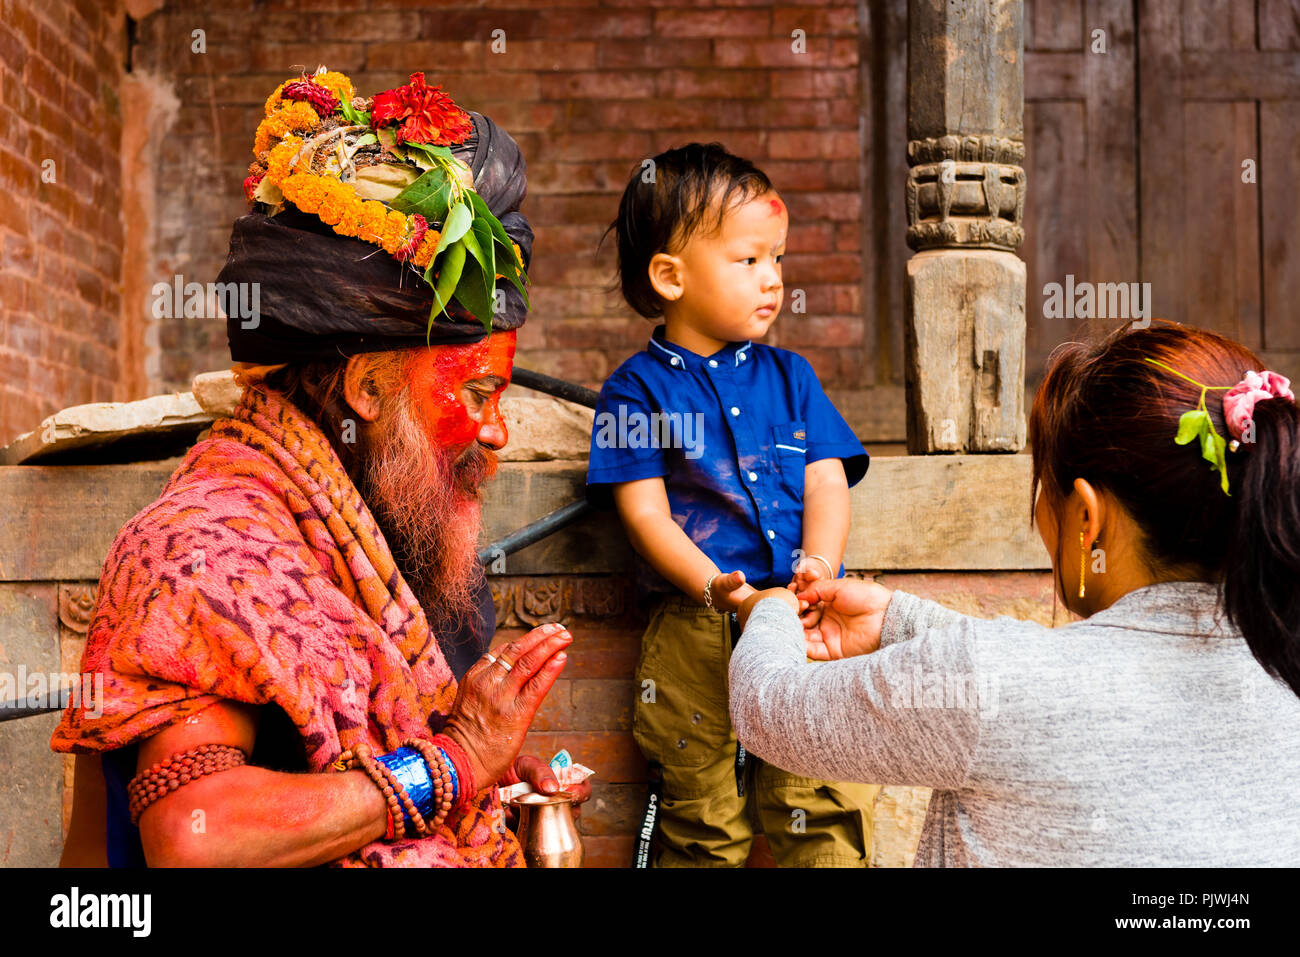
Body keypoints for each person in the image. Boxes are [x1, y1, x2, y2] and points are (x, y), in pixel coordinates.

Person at [51, 68, 589, 868]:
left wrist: (491, 777)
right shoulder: (203, 546)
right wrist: (452, 765)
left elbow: (376, 742)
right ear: (368, 387)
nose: (498, 429)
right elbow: (194, 837)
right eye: (477, 390)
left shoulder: (379, 523)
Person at [728, 320, 1300, 866]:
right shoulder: (1284, 668)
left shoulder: (987, 684)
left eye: (1042, 492)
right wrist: (903, 621)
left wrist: (772, 609)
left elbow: (768, 707)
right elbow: (1037, 677)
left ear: (1087, 517)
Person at [586, 143, 879, 867]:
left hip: (802, 613)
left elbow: (825, 481)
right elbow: (647, 515)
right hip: (696, 625)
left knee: (819, 795)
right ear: (670, 276)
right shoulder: (635, 391)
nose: (772, 280)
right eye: (748, 261)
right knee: (702, 815)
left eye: (778, 259)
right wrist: (716, 587)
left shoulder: (793, 377)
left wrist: (819, 564)